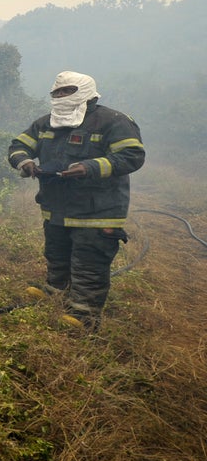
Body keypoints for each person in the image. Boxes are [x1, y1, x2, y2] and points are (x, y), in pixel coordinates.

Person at [8, 71, 145, 332]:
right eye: (56, 92)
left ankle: (83, 316)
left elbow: (132, 156)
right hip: (56, 208)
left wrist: (90, 167)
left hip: (99, 211)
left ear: (85, 92)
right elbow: (18, 145)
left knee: (89, 263)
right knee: (56, 254)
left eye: (66, 91)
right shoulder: (45, 123)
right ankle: (54, 291)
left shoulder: (112, 121)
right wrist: (24, 162)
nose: (60, 96)